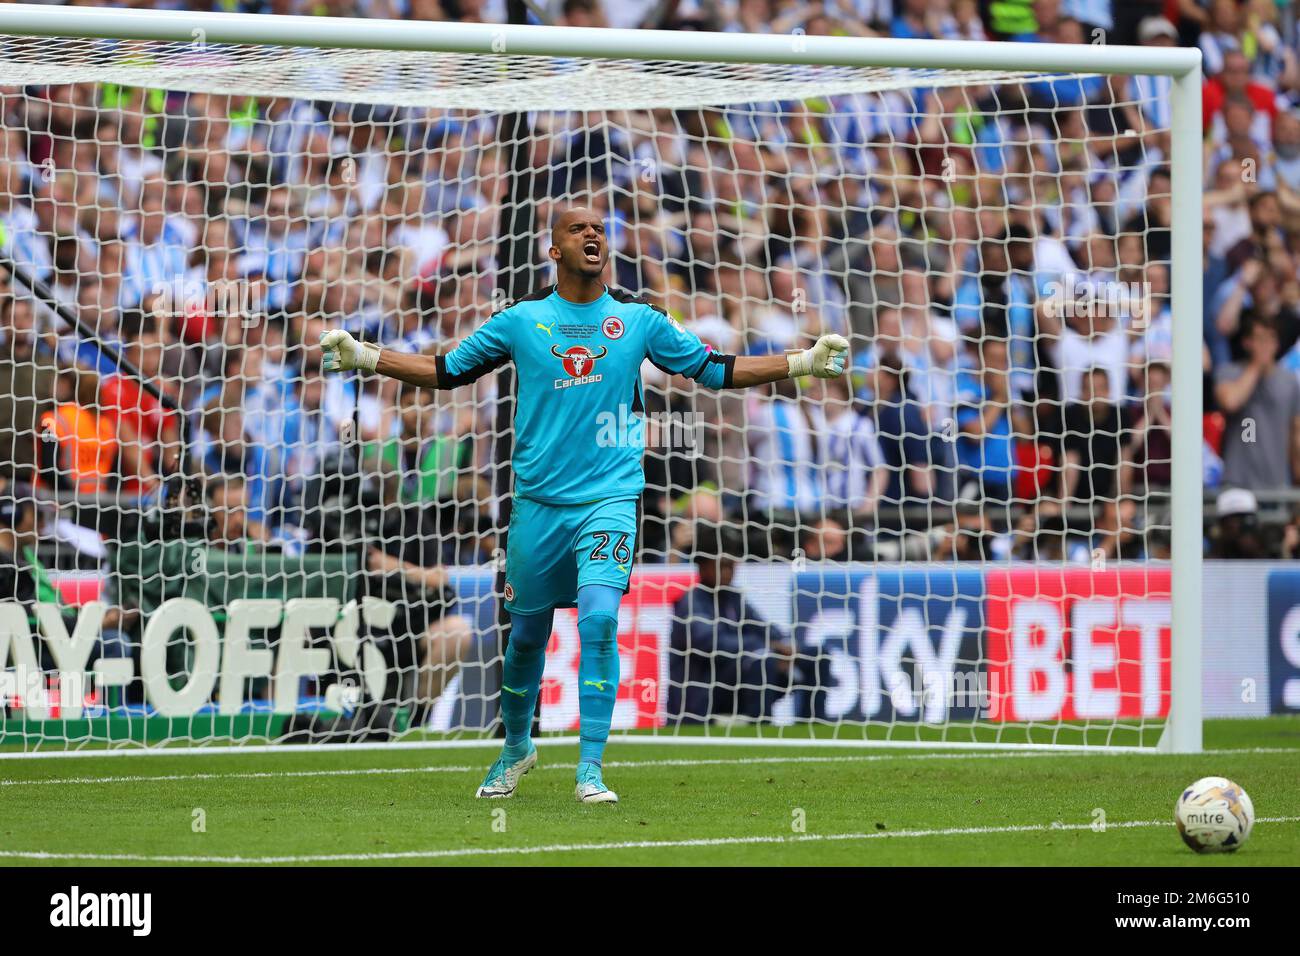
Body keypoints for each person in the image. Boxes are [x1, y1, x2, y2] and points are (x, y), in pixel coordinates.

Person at [320, 206, 849, 802]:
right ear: (554, 250)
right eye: (578, 229)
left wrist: (800, 363)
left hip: (610, 498)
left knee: (599, 620)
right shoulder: (521, 321)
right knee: (524, 640)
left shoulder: (638, 321)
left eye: (599, 228)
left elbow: (714, 370)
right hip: (538, 506)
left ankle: (590, 769)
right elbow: (446, 371)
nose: (593, 234)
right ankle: (517, 747)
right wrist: (366, 356)